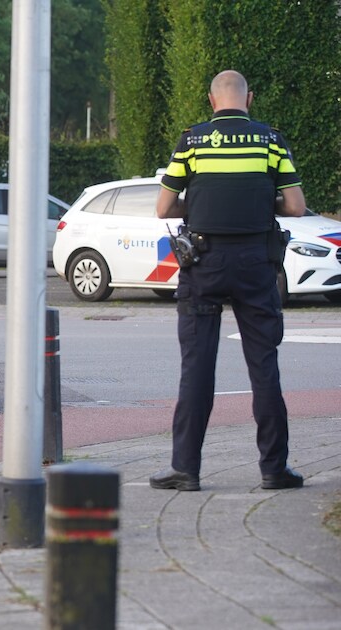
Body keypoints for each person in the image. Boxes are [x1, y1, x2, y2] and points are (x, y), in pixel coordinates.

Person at [149, 69, 306, 492]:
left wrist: (202, 205)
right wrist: (256, 203)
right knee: (264, 367)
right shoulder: (271, 141)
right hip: (257, 263)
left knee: (196, 367)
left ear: (211, 100)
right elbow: (295, 205)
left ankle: (186, 469)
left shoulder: (193, 140)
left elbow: (163, 208)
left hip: (204, 262)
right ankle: (274, 470)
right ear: (249, 99)